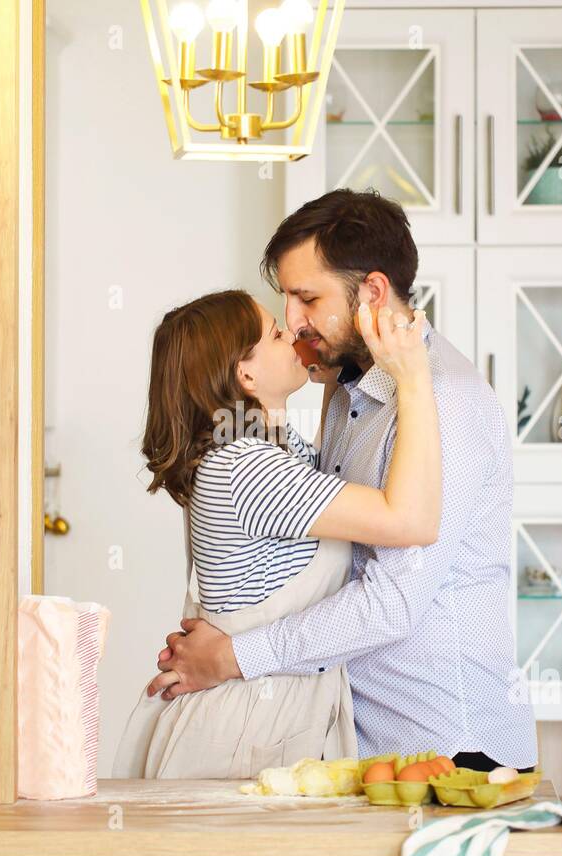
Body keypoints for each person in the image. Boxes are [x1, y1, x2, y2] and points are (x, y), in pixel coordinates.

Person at [148, 189, 539, 775]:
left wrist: (233, 654)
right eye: (285, 303)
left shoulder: (443, 404)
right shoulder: (344, 388)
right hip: (350, 738)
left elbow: (391, 604)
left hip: (445, 746)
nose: (293, 321)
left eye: (307, 298)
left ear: (373, 294)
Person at [112, 287, 440, 778]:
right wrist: (413, 379)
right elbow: (409, 520)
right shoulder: (246, 466)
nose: (293, 333)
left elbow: (330, 473)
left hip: (260, 716)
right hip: (245, 731)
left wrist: (333, 368)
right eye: (275, 333)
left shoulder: (271, 453)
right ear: (245, 373)